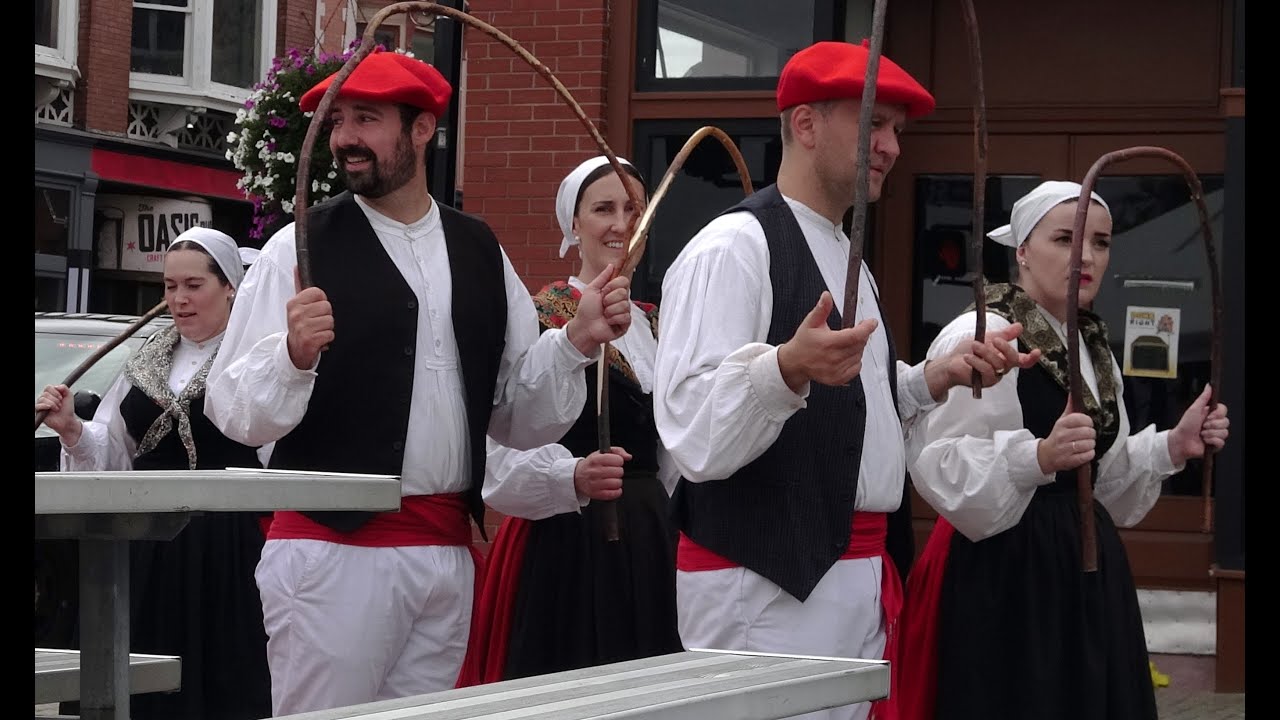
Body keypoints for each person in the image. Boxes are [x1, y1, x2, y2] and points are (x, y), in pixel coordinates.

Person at [202, 48, 635, 716]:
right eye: (338, 119)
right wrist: (291, 353)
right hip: (331, 559)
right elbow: (233, 411)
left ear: (423, 129)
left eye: (367, 119)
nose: (345, 136)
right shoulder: (300, 246)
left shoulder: (478, 248)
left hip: (443, 557)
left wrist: (576, 339)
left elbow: (515, 417)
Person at [651, 40, 1037, 720]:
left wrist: (928, 382)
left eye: (895, 131)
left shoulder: (844, 250)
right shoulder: (735, 246)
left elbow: (852, 412)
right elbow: (692, 432)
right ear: (805, 125)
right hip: (764, 586)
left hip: (850, 578)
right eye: (874, 125)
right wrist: (784, 366)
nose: (890, 146)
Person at [897, 180, 1231, 720]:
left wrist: (1173, 445)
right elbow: (940, 461)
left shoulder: (1090, 343)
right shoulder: (985, 331)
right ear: (1022, 251)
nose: (1086, 256)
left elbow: (1104, 475)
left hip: (1081, 563)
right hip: (1004, 568)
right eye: (1064, 239)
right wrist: (1037, 458)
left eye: (1101, 242)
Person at [457, 155, 683, 686]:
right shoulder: (542, 315)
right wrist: (571, 477)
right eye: (604, 208)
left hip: (651, 541)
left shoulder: (658, 322)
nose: (622, 223)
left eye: (633, 208)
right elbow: (496, 452)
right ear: (573, 225)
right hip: (568, 543)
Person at [35, 228, 270, 720]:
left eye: (193, 285)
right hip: (144, 544)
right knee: (136, 674)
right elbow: (116, 448)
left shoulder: (254, 359)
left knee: (216, 677)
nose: (179, 299)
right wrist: (73, 429)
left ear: (230, 286)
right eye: (169, 286)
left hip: (224, 547)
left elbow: (275, 450)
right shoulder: (147, 357)